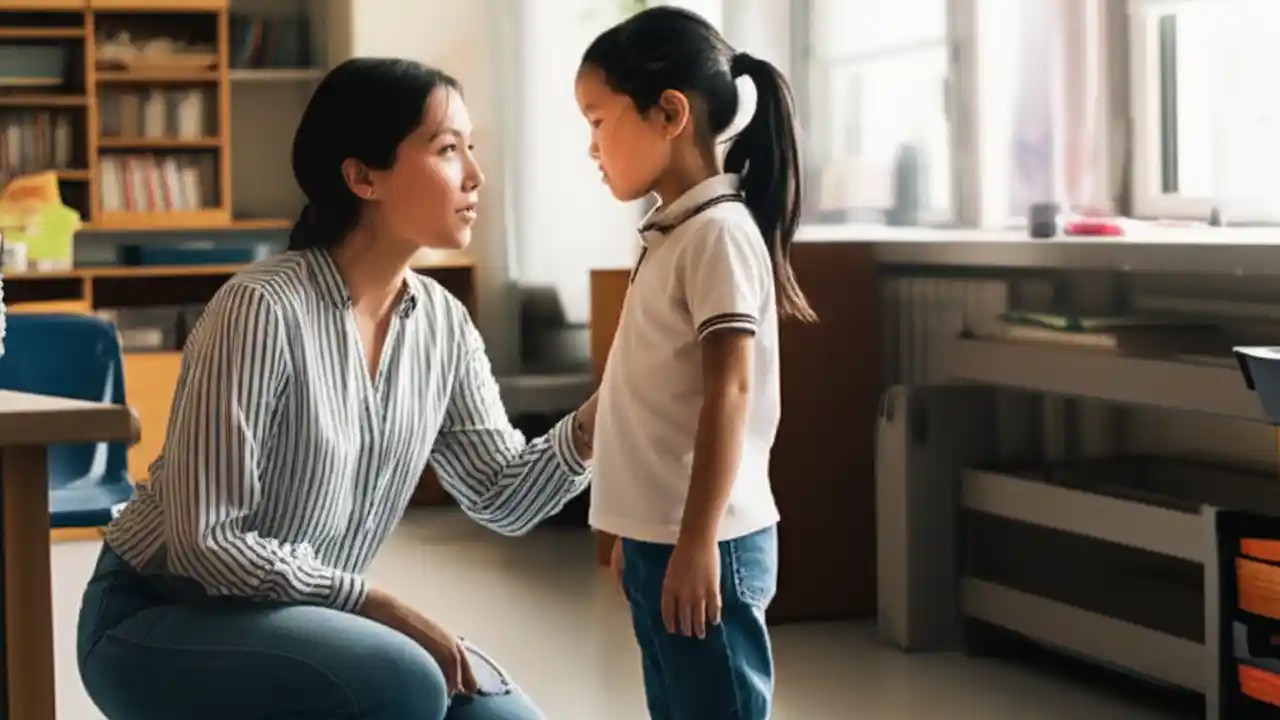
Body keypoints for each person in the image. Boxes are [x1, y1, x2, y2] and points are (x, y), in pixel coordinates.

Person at [76, 57, 596, 720]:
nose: (475, 174)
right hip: (156, 617)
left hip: (301, 619)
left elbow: (503, 497)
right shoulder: (261, 308)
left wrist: (601, 420)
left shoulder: (442, 322)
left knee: (505, 717)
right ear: (361, 176)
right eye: (445, 149)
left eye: (471, 148)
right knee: (403, 679)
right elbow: (206, 544)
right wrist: (379, 606)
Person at [577, 7, 815, 720]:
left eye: (598, 120)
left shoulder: (717, 234)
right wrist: (636, 527)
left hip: (710, 539)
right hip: (664, 538)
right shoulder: (671, 232)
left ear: (669, 113)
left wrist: (695, 541)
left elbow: (729, 392)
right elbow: (647, 393)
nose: (591, 146)